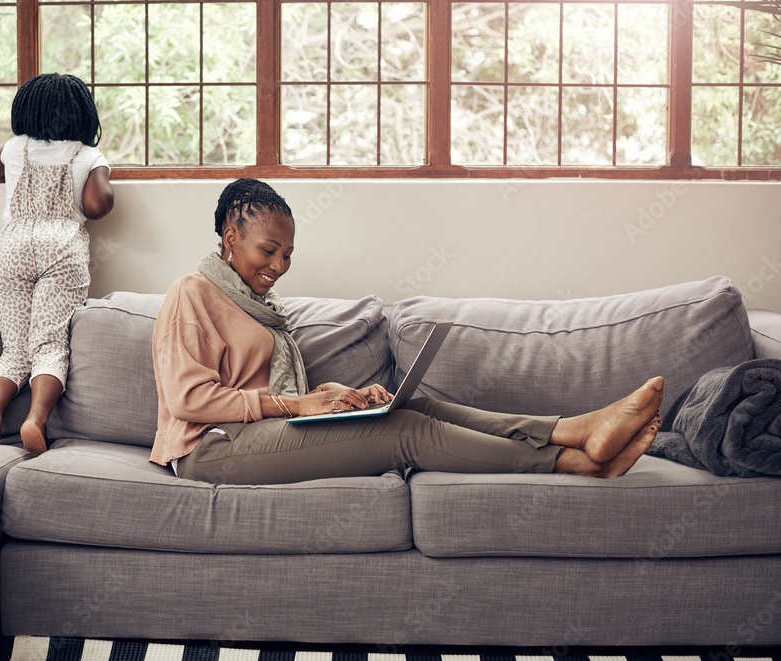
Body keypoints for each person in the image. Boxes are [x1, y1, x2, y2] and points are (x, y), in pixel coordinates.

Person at [151, 178, 664, 484]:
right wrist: (291, 406)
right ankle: (573, 463)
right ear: (231, 234)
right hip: (210, 451)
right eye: (269, 250)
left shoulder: (261, 306)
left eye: (287, 254)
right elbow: (188, 398)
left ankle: (572, 428)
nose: (280, 265)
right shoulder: (191, 293)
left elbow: (269, 391)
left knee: (412, 406)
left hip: (258, 432)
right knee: (404, 432)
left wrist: (331, 396)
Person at [0, 73, 115, 455]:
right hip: (61, 248)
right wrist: (99, 176)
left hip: (13, 246)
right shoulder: (86, 155)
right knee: (50, 344)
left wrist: (15, 154)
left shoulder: (15, 149)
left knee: (14, 348)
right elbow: (99, 206)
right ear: (84, 116)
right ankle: (35, 420)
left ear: (26, 112)